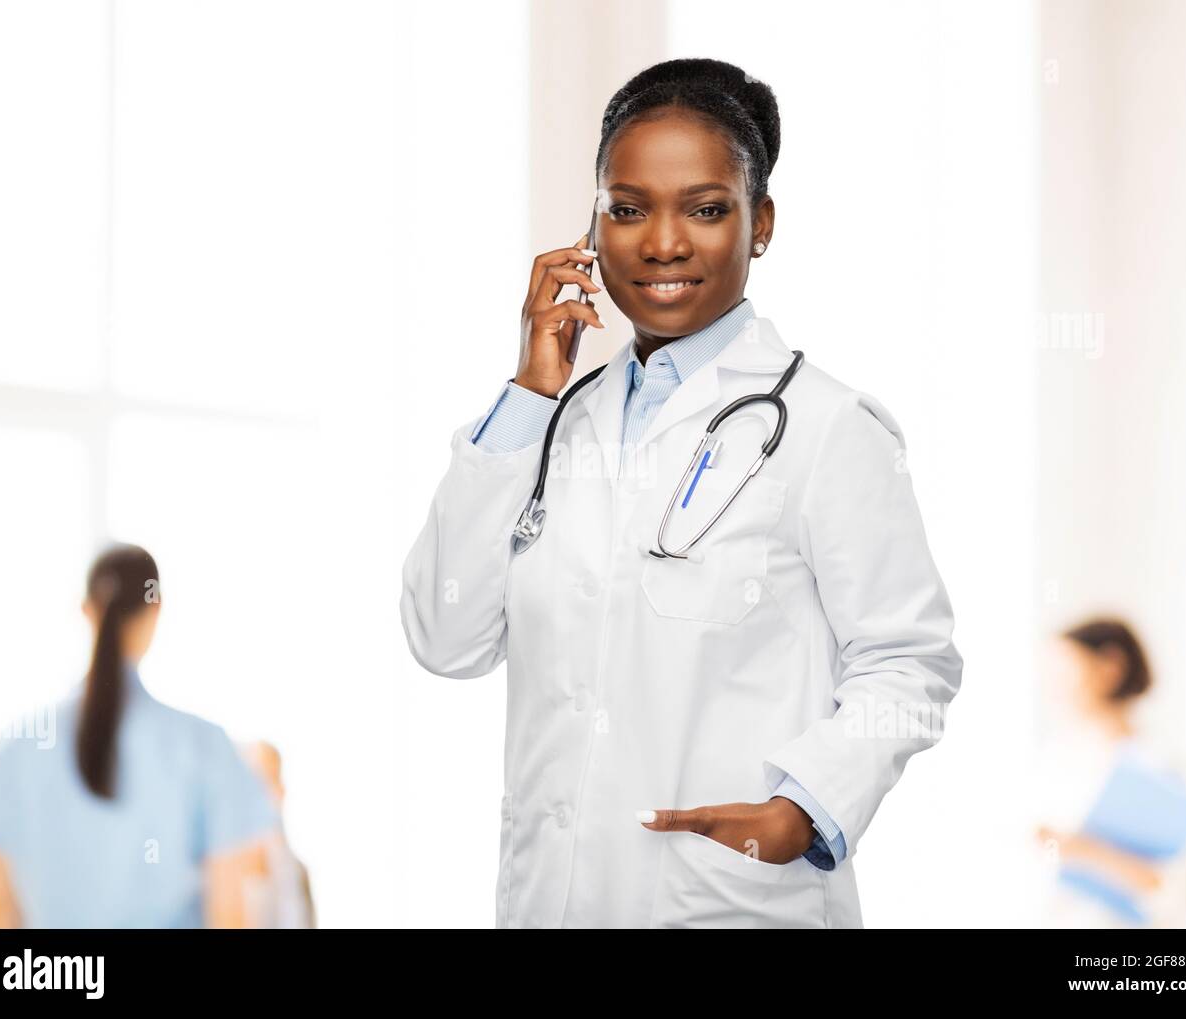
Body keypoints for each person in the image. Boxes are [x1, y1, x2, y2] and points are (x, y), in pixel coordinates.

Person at [400, 58, 963, 928]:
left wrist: (805, 808)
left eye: (705, 208)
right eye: (627, 209)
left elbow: (910, 658)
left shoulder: (825, 425)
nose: (662, 242)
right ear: (593, 225)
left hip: (729, 904)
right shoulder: (547, 425)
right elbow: (445, 637)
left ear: (761, 223)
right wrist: (527, 394)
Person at [0, 543, 279, 928]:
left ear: (86, 610)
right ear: (156, 609)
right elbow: (229, 916)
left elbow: (2, 912)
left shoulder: (19, 744)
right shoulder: (204, 746)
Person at [1033, 618, 1186, 928]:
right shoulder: (1054, 759)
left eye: (1065, 670)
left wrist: (1089, 852)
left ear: (1110, 667)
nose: (1053, 686)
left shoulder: (1158, 765)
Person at [240, 740, 316, 928]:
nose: (275, 789)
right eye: (259, 780)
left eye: (275, 778)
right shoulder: (214, 876)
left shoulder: (298, 872)